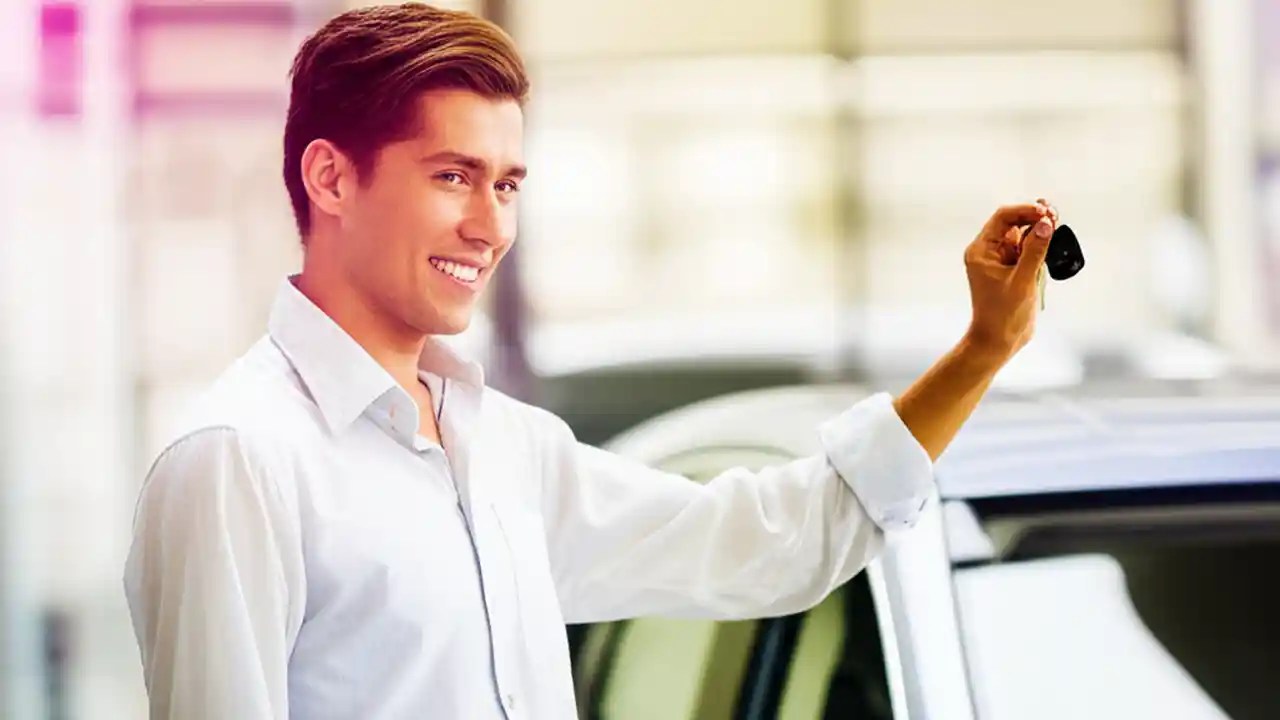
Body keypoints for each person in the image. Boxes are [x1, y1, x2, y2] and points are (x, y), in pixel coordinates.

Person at [122, 4, 1060, 719]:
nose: (490, 227)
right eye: (452, 176)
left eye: (508, 185)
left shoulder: (501, 449)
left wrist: (982, 352)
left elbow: (765, 544)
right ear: (331, 178)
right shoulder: (237, 460)